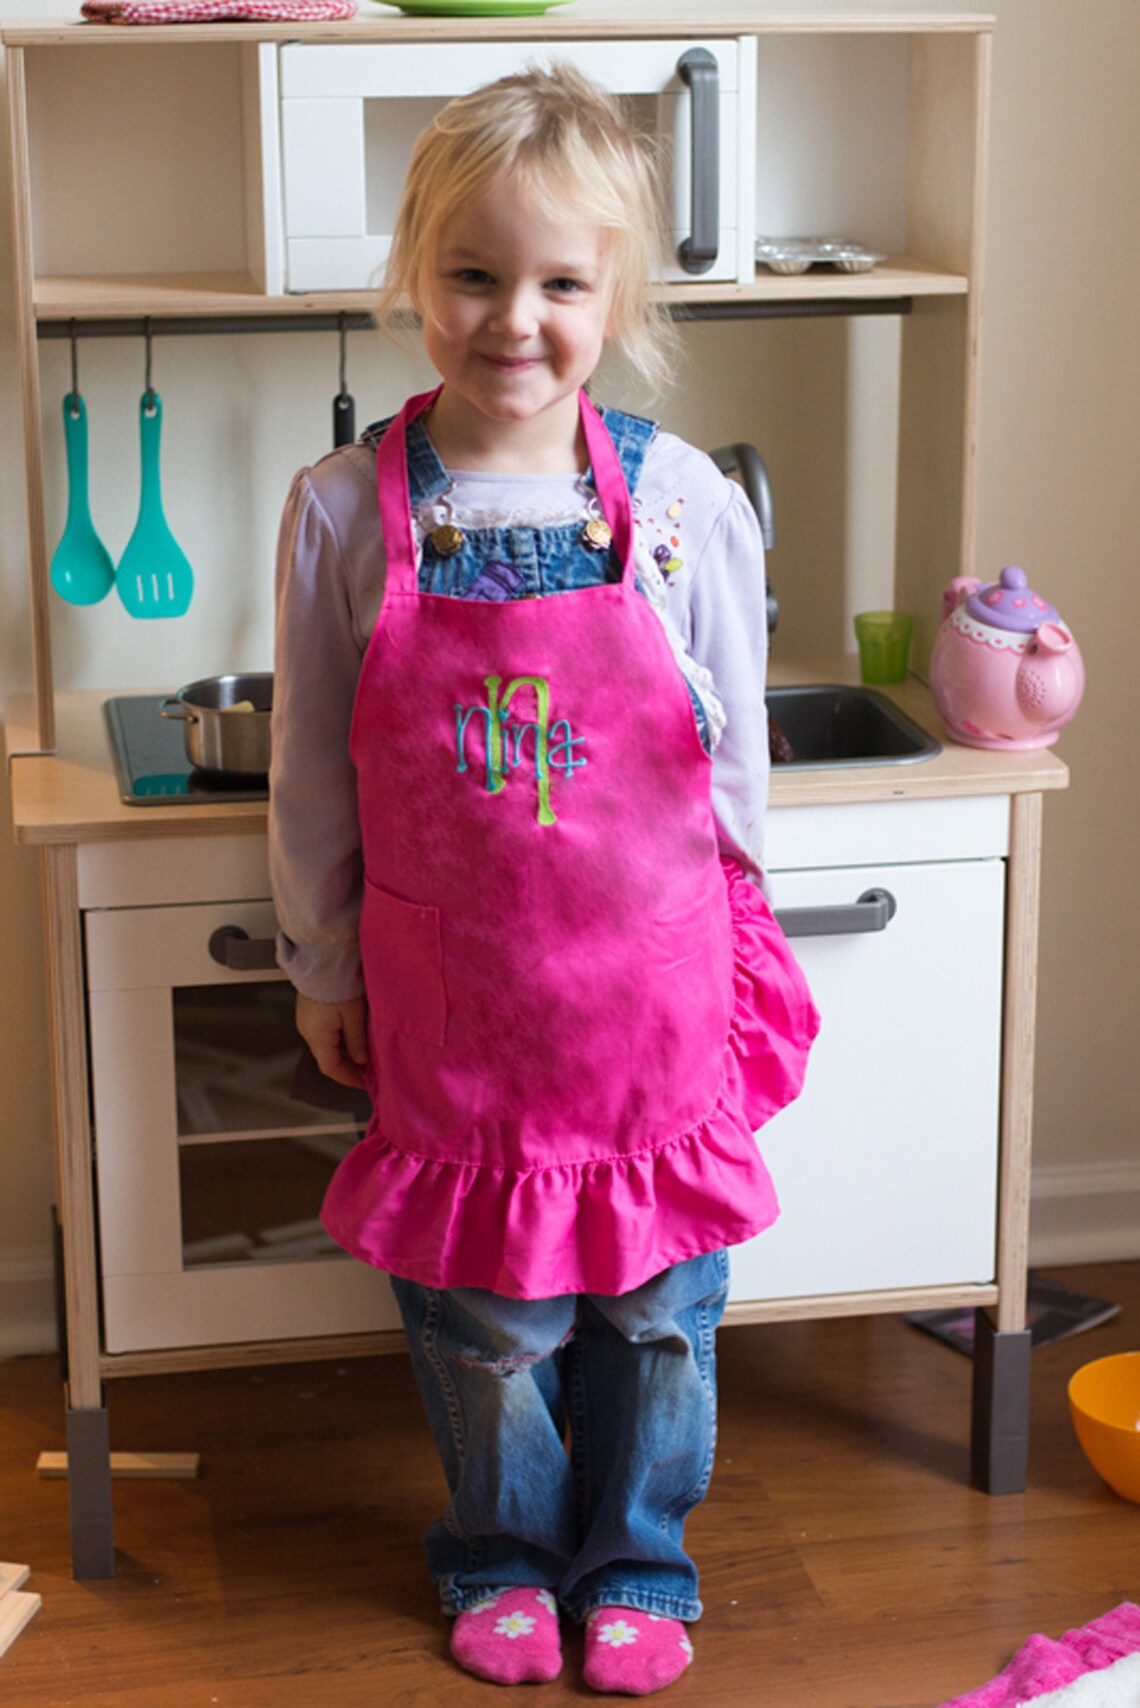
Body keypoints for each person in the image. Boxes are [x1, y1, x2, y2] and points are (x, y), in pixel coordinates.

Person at [269, 61, 818, 1698]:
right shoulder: (338, 516)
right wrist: (319, 969)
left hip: (652, 1000)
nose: (516, 318)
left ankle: (641, 1558)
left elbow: (731, 770)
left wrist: (737, 962)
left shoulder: (680, 503)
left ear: (616, 297)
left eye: (562, 282)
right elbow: (313, 773)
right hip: (459, 1007)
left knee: (658, 1313)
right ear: (413, 282)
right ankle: (501, 1552)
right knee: (487, 1325)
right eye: (474, 274)